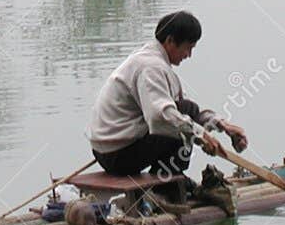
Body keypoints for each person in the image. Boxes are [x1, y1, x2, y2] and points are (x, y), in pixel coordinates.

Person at [88, 11, 248, 181]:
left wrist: (223, 126)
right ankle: (167, 184)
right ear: (170, 40)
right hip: (117, 156)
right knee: (179, 126)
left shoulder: (153, 60)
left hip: (109, 151)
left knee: (187, 109)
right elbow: (159, 118)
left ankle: (167, 178)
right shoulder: (151, 67)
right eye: (188, 48)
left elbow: (184, 108)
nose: (188, 55)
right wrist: (201, 136)